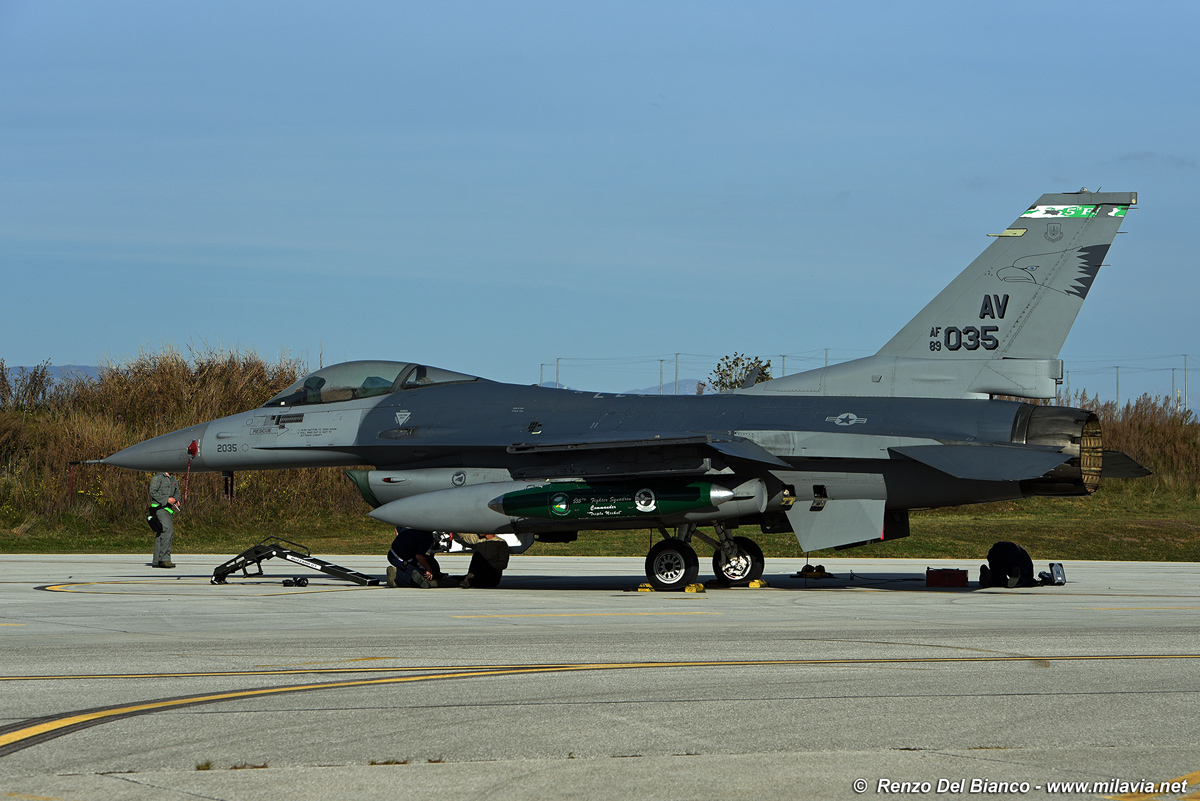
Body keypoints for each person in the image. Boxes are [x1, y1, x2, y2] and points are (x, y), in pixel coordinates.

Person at [385, 527, 450, 588]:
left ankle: (399, 573)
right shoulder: (427, 536)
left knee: (417, 570)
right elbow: (419, 556)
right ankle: (397, 576)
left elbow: (397, 529)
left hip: (393, 553)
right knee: (420, 579)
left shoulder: (415, 525)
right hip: (401, 559)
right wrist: (428, 570)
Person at [148, 471, 180, 568]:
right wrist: (166, 499)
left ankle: (157, 560)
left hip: (168, 510)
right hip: (159, 508)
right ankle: (164, 559)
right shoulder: (157, 477)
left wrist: (177, 500)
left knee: (161, 532)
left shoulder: (173, 479)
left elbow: (177, 492)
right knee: (168, 531)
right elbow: (152, 492)